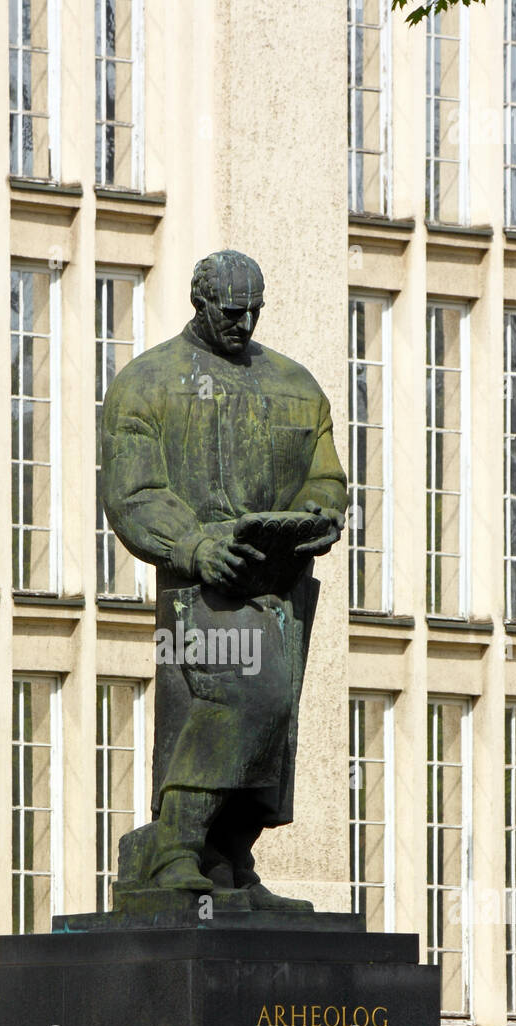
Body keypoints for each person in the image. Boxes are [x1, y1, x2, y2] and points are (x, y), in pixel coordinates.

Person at [101, 249, 347, 910]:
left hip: (278, 586)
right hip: (200, 584)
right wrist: (196, 544)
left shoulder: (294, 383)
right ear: (199, 303)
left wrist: (323, 514)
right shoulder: (147, 381)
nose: (242, 323)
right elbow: (134, 493)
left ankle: (230, 862)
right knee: (243, 702)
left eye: (252, 312)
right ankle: (175, 846)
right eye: (230, 312)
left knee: (273, 721)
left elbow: (324, 473)